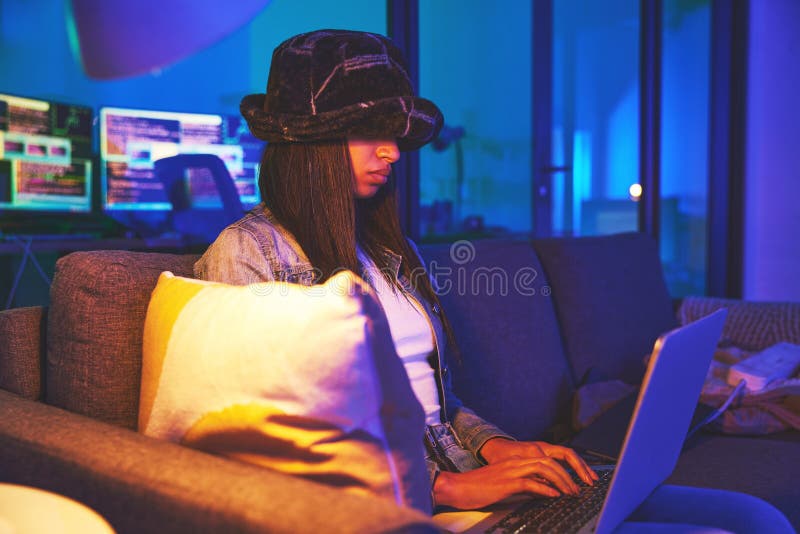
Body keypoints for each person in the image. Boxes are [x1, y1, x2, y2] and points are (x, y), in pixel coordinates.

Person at [195, 29, 793, 532]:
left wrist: (495, 446)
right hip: (397, 507)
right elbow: (260, 450)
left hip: (462, 477)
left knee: (753, 516)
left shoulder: (387, 251)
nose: (394, 152)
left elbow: (435, 402)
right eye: (367, 131)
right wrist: (448, 487)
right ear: (309, 146)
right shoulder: (243, 258)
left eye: (394, 134)